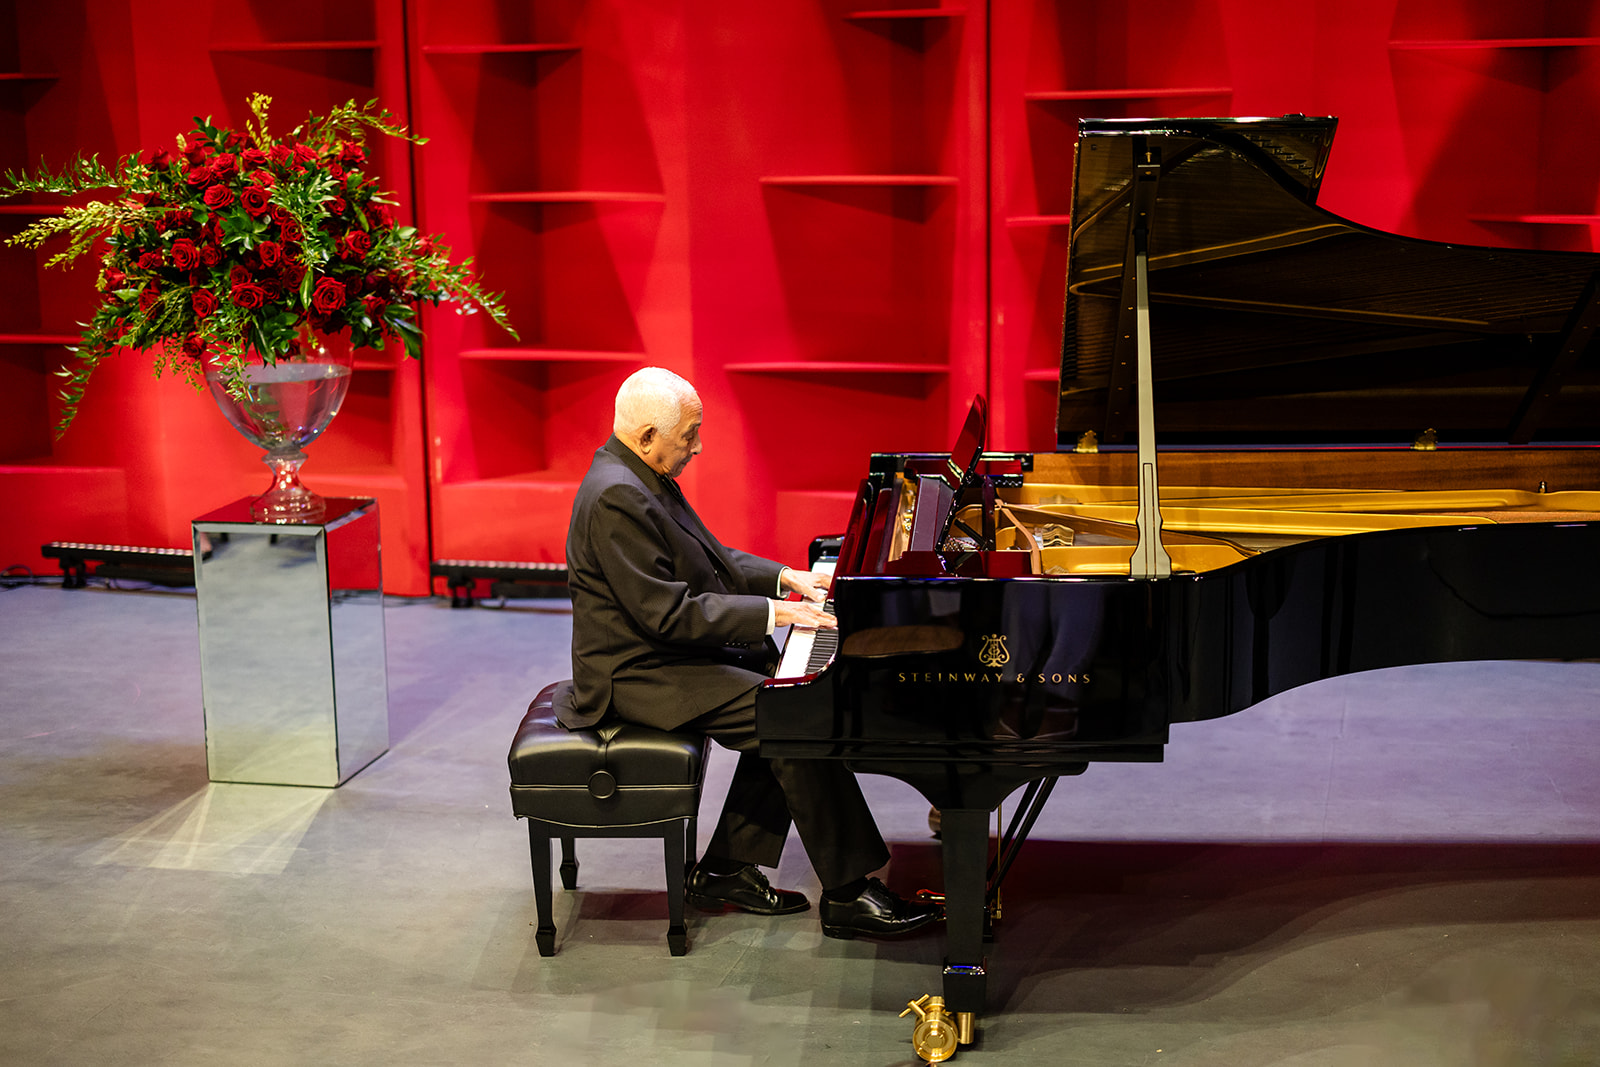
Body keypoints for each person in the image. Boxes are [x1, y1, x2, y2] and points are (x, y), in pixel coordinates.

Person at [562, 367, 939, 939]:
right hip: (636, 674)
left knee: (783, 694)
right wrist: (779, 613)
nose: (698, 447)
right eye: (689, 435)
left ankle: (725, 870)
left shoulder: (640, 472)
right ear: (647, 436)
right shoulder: (618, 495)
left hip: (660, 655)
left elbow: (710, 559)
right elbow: (668, 614)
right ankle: (848, 894)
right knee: (794, 714)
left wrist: (788, 578)